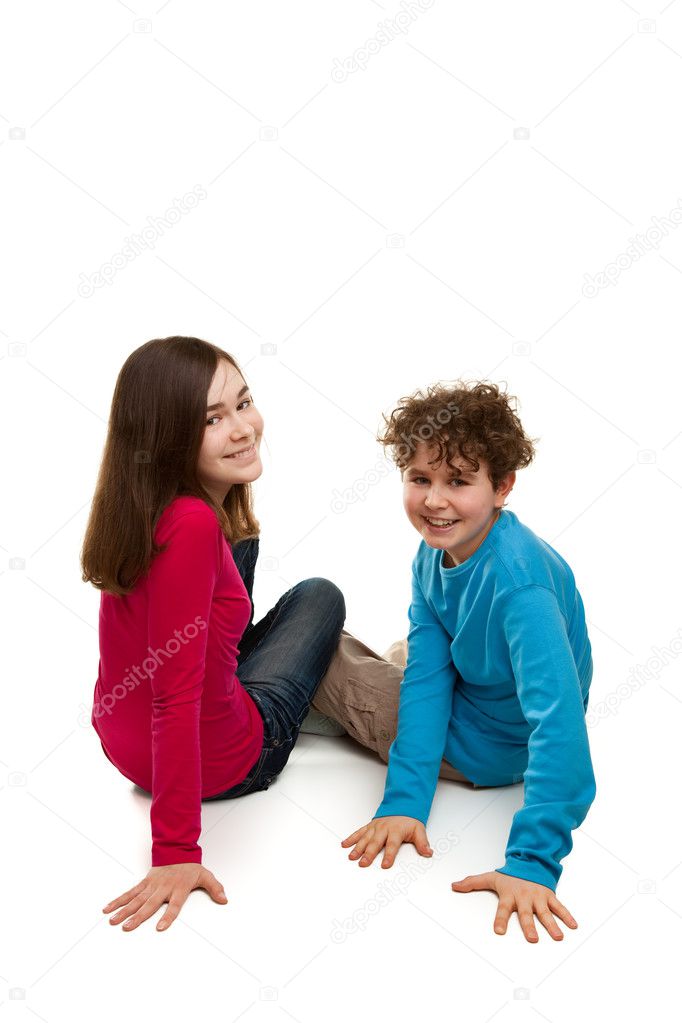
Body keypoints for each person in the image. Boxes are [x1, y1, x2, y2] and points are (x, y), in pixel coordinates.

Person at [311, 380, 595, 943]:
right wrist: (408, 797)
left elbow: (559, 723)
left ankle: (289, 706)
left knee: (317, 647)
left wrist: (533, 863)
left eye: (458, 482)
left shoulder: (520, 587)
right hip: (478, 698)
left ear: (503, 486)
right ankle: (336, 710)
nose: (434, 501)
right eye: (420, 479)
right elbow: (428, 673)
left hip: (485, 749)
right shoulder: (437, 550)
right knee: (413, 649)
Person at [81, 336, 345, 933]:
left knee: (240, 538)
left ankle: (256, 667)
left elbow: (124, 652)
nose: (244, 428)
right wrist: (174, 852)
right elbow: (176, 698)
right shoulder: (197, 524)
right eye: (211, 419)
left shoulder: (133, 505)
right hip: (226, 760)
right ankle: (310, 712)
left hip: (123, 747)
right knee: (319, 595)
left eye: (243, 403)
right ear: (168, 437)